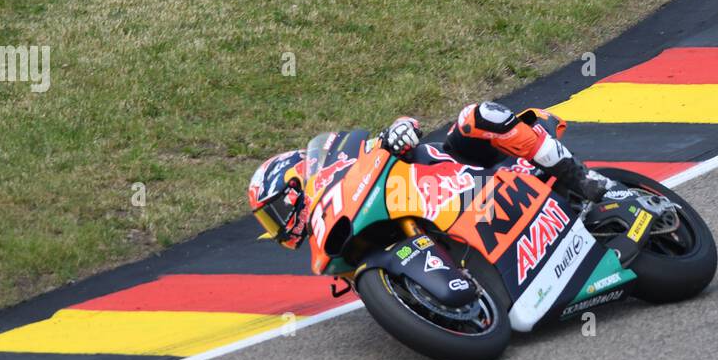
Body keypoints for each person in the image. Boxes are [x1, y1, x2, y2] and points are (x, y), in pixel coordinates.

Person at [249, 101, 613, 249]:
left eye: (276, 212)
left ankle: (583, 179)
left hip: (460, 172)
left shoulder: (346, 163)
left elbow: (401, 126)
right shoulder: (336, 236)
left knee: (478, 115)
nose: (280, 225)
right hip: (454, 218)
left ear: (293, 185)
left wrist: (398, 132)